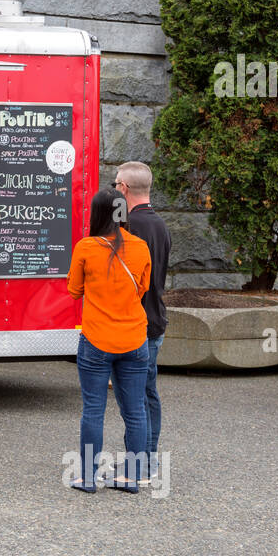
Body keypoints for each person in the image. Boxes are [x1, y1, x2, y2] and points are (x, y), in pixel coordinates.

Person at [65, 189, 152, 493]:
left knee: (93, 410)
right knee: (135, 412)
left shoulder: (86, 247)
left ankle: (87, 477)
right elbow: (143, 289)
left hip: (96, 340)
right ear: (123, 213)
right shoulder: (141, 248)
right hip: (134, 339)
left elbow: (74, 290)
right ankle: (131, 477)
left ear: (97, 214)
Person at [115, 161, 171, 485]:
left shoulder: (128, 227)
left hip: (136, 323)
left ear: (124, 188)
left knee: (134, 399)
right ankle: (147, 460)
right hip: (156, 319)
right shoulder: (160, 224)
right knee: (148, 393)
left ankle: (142, 465)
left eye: (116, 185)